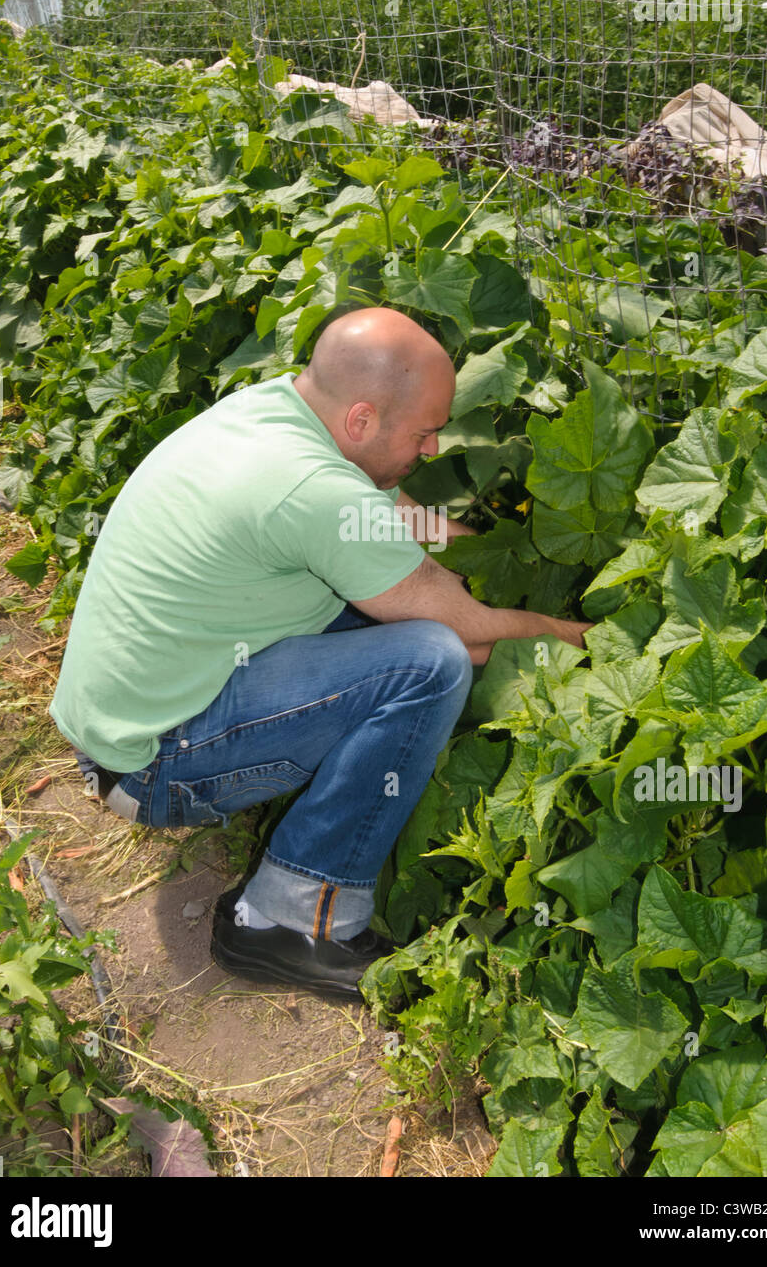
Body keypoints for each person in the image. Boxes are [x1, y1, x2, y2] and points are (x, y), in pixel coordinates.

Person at [49, 306, 591, 999]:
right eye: (424, 433)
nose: (431, 451)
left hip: (127, 716)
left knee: (386, 617)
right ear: (362, 419)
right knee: (429, 661)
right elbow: (470, 631)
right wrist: (577, 636)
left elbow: (382, 521)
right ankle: (288, 919)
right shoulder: (313, 492)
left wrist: (485, 539)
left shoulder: (277, 414)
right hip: (153, 763)